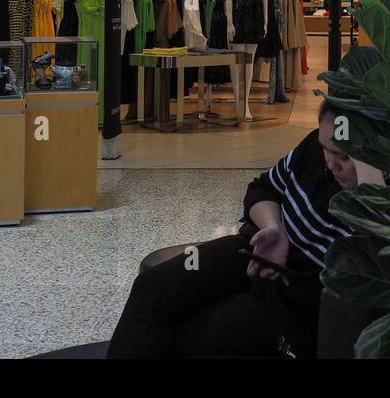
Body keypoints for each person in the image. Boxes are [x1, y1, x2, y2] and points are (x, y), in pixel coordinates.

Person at [106, 101, 358, 357]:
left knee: (191, 337)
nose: (331, 164)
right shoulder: (314, 150)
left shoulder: (385, 207)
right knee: (151, 288)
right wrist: (274, 227)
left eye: (345, 157)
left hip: (290, 303)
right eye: (327, 150)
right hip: (254, 254)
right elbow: (263, 188)